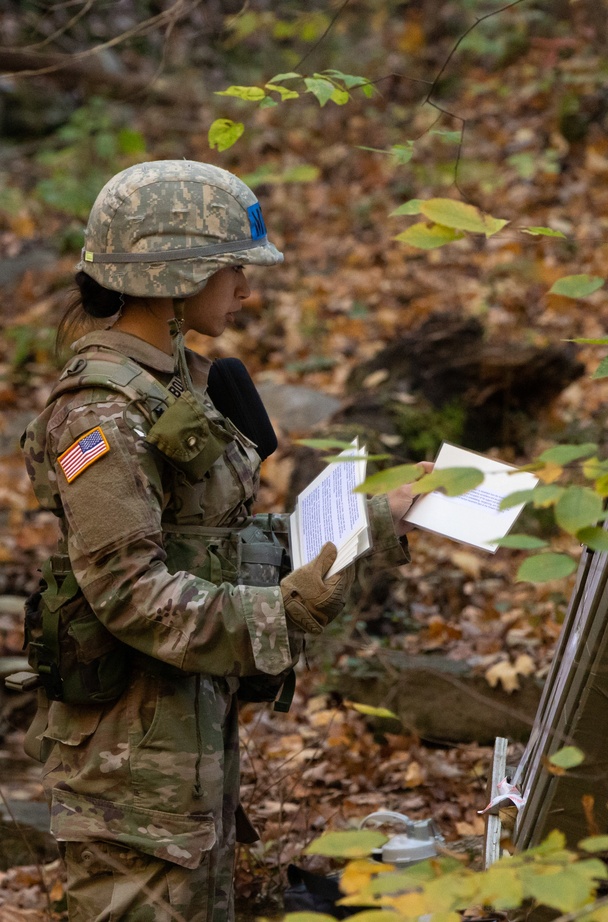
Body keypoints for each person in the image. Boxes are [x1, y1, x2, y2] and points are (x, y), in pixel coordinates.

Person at [19, 160, 427, 921]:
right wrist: (278, 614)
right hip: (131, 777)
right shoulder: (101, 417)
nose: (245, 289)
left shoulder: (174, 385)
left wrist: (372, 522)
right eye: (233, 270)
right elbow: (131, 595)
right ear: (178, 274)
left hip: (183, 749)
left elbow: (214, 547)